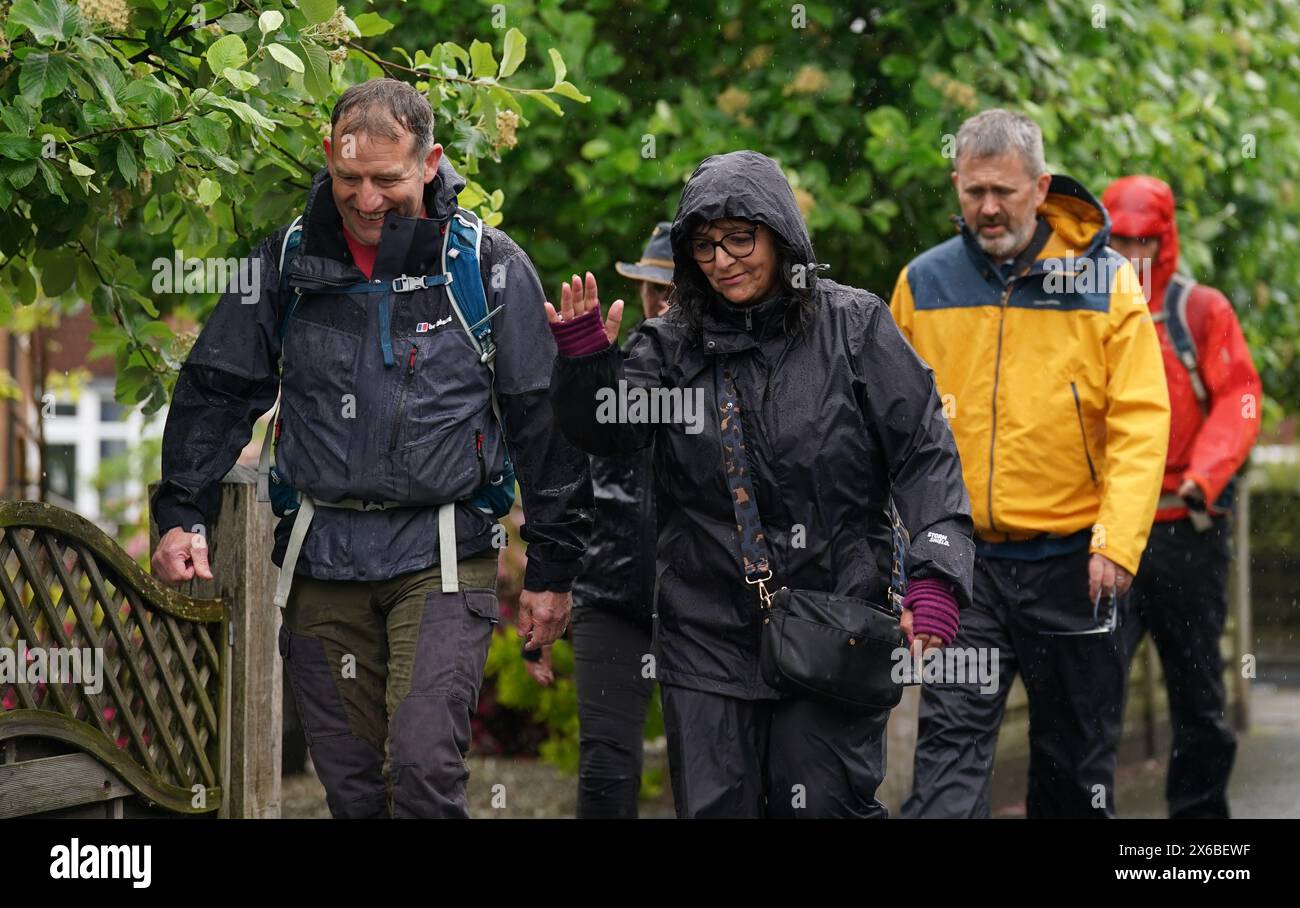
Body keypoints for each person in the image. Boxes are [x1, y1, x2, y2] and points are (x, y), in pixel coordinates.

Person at [149, 78, 592, 818]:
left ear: (429, 162)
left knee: (421, 771)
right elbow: (218, 389)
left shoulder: (486, 264)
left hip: (443, 555)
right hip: (323, 559)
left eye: (387, 179)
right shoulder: (288, 261)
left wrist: (552, 568)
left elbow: (540, 420)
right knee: (353, 791)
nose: (365, 199)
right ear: (328, 155)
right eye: (348, 177)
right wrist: (180, 512)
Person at [546, 150, 975, 819]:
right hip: (704, 631)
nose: (723, 260)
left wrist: (937, 575)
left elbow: (923, 452)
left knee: (822, 806)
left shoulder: (855, 328)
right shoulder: (671, 345)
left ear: (780, 234)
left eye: (740, 238)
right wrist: (583, 367)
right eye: (705, 245)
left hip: (835, 620)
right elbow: (610, 437)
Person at [890, 109, 1171, 818]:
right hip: (963, 572)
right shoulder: (922, 285)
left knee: (1074, 772)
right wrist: (903, 557)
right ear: (956, 184)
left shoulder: (1106, 283)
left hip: (1076, 567)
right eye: (973, 190)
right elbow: (888, 431)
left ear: (1041, 187)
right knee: (946, 765)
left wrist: (1116, 542)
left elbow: (1140, 422)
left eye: (1004, 192)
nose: (987, 208)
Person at [1102, 175, 1262, 818]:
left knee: (1198, 693)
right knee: (1091, 695)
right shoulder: (1083, 305)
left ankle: (1198, 838)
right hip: (1109, 535)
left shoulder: (1202, 311)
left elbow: (1240, 398)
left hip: (1186, 530)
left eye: (1146, 241)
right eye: (1122, 241)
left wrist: (1205, 473)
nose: (1134, 254)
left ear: (1166, 240)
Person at [525, 223, 674, 818]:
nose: (661, 301)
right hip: (610, 592)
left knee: (710, 769)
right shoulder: (620, 363)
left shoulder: (719, 365)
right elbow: (565, 466)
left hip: (700, 597)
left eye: (673, 288)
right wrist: (549, 584)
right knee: (608, 769)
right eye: (650, 288)